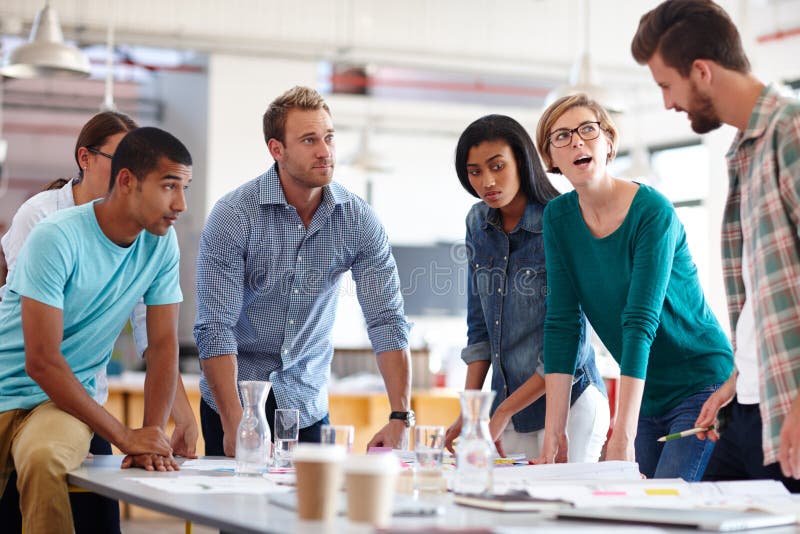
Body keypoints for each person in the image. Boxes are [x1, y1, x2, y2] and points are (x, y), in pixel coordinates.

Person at [0, 113, 199, 533]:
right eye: (169, 186)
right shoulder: (54, 234)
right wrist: (125, 437)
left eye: (184, 188)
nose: (180, 204)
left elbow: (162, 344)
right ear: (127, 181)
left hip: (60, 403)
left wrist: (149, 435)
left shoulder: (161, 245)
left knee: (44, 458)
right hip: (11, 385)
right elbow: (41, 359)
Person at [632, 0, 800, 489]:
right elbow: (771, 296)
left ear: (701, 71)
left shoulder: (790, 133)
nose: (666, 103)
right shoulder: (746, 147)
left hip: (787, 411)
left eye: (666, 85)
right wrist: (735, 382)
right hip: (746, 408)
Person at [194, 86, 412, 456]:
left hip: (307, 405)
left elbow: (386, 319)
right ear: (277, 150)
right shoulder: (233, 216)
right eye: (309, 140)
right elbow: (216, 328)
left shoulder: (358, 220)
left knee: (312, 512)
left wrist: (400, 415)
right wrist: (236, 425)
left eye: (328, 138)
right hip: (234, 400)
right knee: (234, 509)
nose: (325, 151)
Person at [532, 93, 734, 481]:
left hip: (701, 382)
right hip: (648, 395)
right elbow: (561, 323)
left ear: (608, 142)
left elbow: (639, 321)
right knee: (635, 510)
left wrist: (621, 434)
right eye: (561, 136)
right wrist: (553, 434)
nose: (576, 141)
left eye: (587, 130)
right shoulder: (558, 219)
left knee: (667, 509)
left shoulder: (651, 210)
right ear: (550, 158)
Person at [444, 114, 609, 461]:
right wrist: (470, 412)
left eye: (497, 166)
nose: (487, 181)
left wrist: (501, 411)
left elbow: (569, 343)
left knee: (565, 507)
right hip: (513, 411)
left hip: (571, 404)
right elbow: (480, 330)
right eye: (475, 171)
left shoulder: (563, 220)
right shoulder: (477, 223)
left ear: (521, 161)